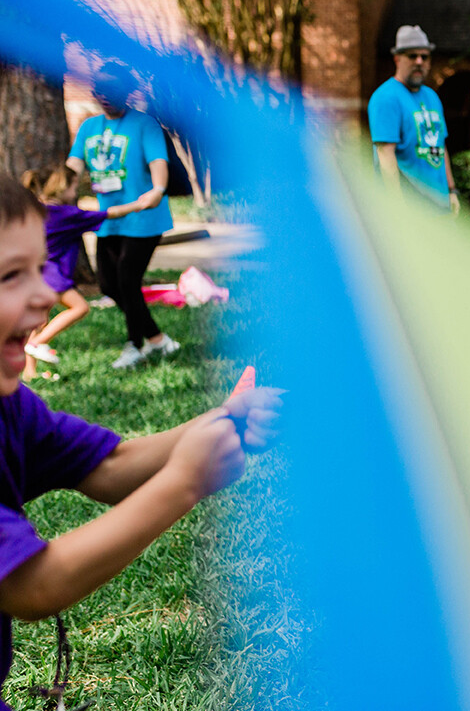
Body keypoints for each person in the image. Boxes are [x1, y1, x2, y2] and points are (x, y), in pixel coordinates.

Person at [0, 173, 281, 706]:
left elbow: (111, 467)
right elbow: (33, 587)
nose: (45, 296)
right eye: (12, 275)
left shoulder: (10, 405)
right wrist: (183, 482)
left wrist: (225, 418)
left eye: (40, 269)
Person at [66, 61, 179, 370]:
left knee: (128, 279)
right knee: (109, 287)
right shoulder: (89, 127)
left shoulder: (145, 124)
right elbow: (71, 170)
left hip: (144, 218)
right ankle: (158, 339)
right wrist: (52, 190)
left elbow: (159, 164)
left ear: (128, 91)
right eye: (98, 90)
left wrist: (157, 190)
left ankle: (135, 346)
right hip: (108, 220)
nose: (103, 96)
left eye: (111, 90)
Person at [19, 166, 134, 373]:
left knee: (39, 321)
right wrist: (139, 204)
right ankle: (36, 345)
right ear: (62, 188)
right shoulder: (65, 214)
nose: (75, 192)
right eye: (73, 187)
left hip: (37, 272)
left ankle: (29, 372)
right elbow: (108, 213)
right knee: (80, 308)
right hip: (54, 275)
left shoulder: (37, 210)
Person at [369, 25, 460, 213]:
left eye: (424, 57)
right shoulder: (386, 97)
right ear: (397, 59)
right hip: (411, 209)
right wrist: (397, 207)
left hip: (439, 203)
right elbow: (385, 155)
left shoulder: (432, 97)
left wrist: (452, 191)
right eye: (412, 56)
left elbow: (441, 148)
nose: (419, 61)